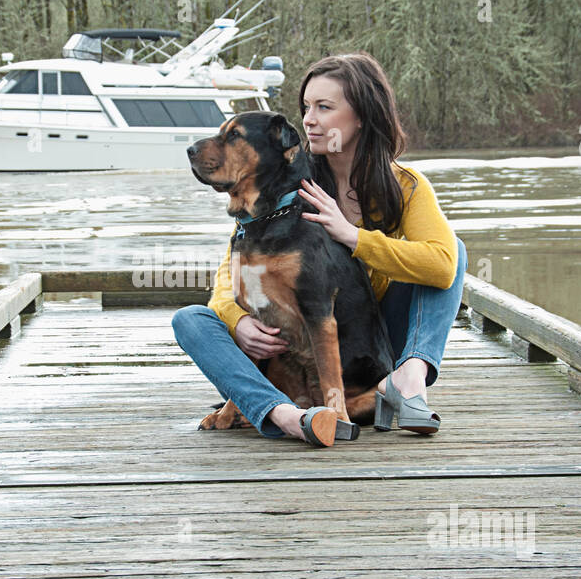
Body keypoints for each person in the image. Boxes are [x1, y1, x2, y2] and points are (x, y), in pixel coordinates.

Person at [171, 51, 467, 442]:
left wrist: (352, 236)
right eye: (306, 107)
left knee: (452, 251)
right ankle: (281, 412)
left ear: (361, 116)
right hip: (290, 346)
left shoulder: (405, 186)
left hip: (368, 344)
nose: (309, 119)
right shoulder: (285, 179)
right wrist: (238, 320)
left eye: (324, 107)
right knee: (191, 320)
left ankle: (408, 378)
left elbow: (443, 267)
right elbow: (235, 270)